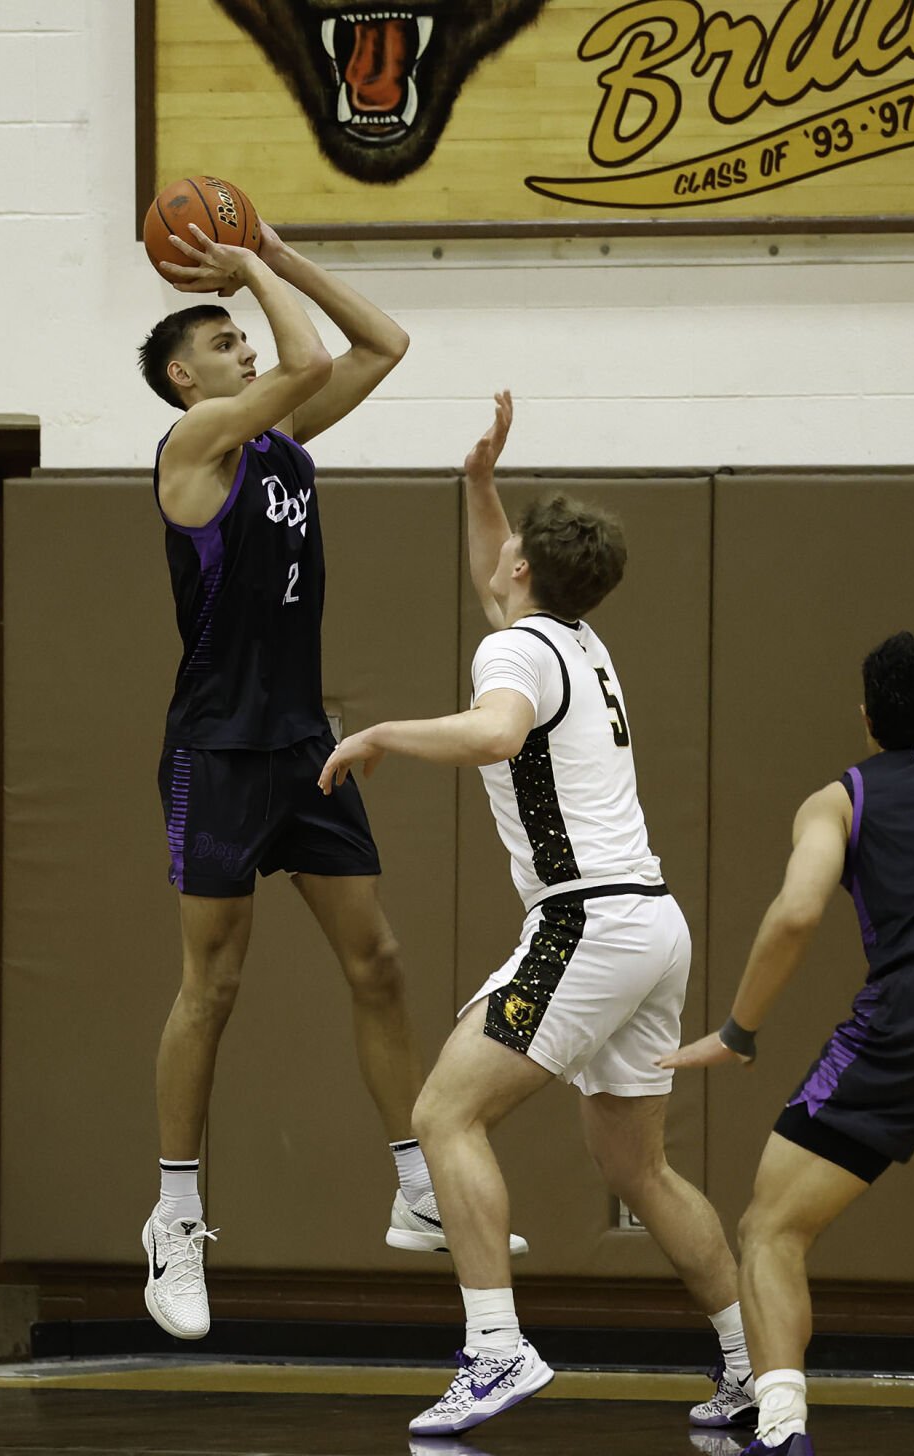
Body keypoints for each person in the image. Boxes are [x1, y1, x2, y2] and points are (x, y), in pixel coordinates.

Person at [319, 393, 755, 1437]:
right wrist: (478, 484)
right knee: (636, 1167)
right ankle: (747, 1367)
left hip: (587, 924)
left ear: (525, 567)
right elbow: (493, 585)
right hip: (651, 926)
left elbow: (496, 732)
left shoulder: (514, 659)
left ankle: (494, 1348)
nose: (496, 555)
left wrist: (385, 729)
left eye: (506, 542)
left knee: (441, 1115)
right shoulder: (572, 639)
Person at [135, 220, 508, 1342]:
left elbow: (381, 342)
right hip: (218, 748)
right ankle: (176, 1215)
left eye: (241, 330)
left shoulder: (281, 445)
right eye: (220, 335)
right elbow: (303, 362)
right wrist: (242, 260)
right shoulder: (195, 445)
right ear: (180, 376)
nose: (243, 344)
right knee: (214, 986)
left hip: (302, 742)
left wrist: (281, 256)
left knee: (380, 961)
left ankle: (411, 1185)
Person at [665, 633, 914, 1456]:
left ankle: (780, 1429)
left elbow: (797, 913)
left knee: (771, 1226)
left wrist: (739, 1030)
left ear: (867, 720)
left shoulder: (843, 796)